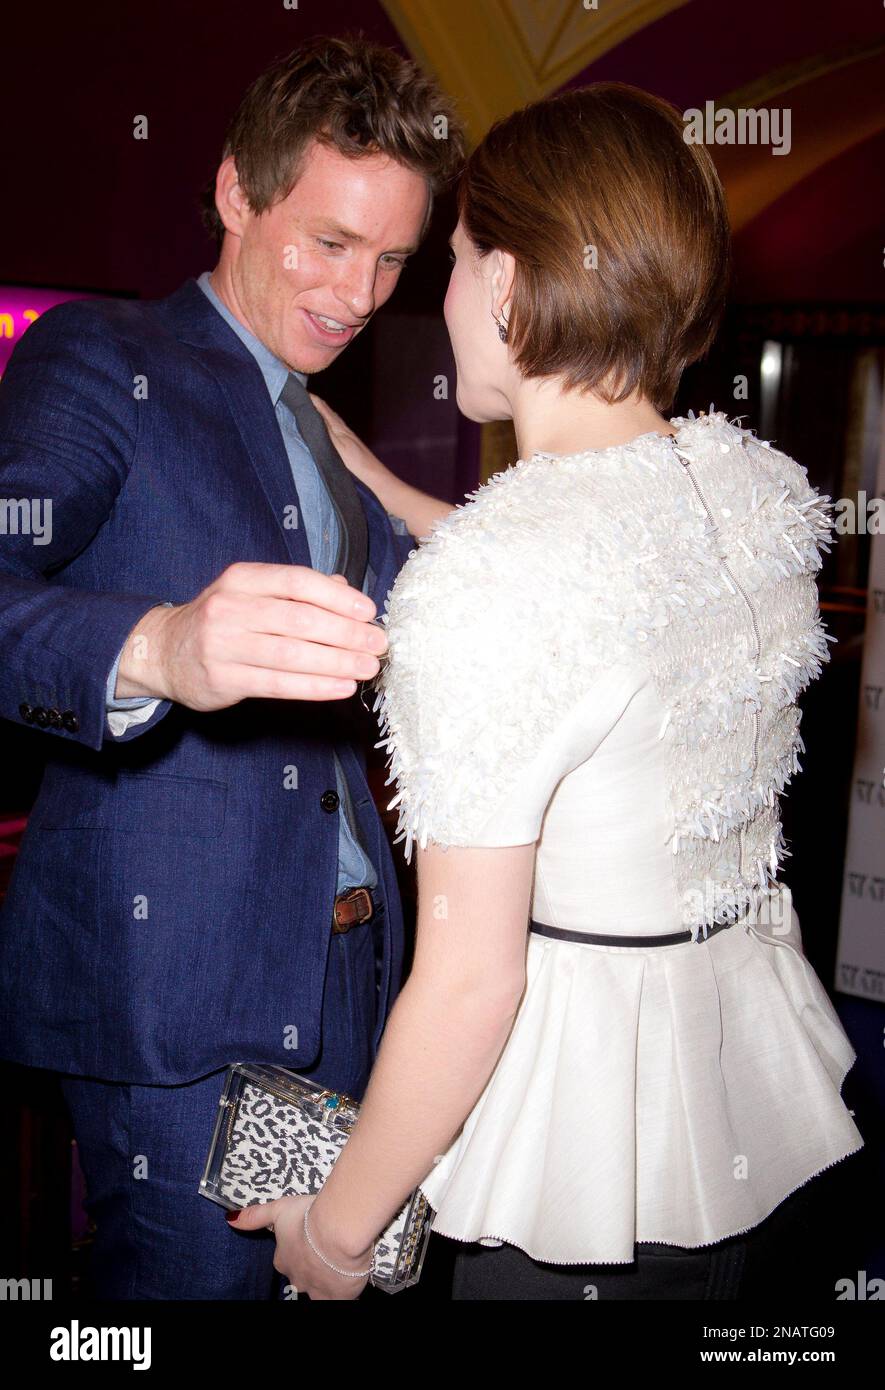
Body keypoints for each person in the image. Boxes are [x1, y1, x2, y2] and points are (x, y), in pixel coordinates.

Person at [229, 82, 865, 1300]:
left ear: (511, 282)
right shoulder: (755, 499)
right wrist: (384, 487)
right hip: (728, 1109)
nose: (442, 289)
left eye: (457, 257)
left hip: (583, 1164)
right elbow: (611, 610)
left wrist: (337, 1233)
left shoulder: (497, 586)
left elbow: (473, 978)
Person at [0, 36, 463, 1300]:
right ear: (233, 195)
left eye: (391, 260)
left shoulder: (315, 418)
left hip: (357, 970)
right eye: (325, 242)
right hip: (183, 994)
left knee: (330, 1290)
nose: (360, 293)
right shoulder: (102, 359)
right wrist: (158, 645)